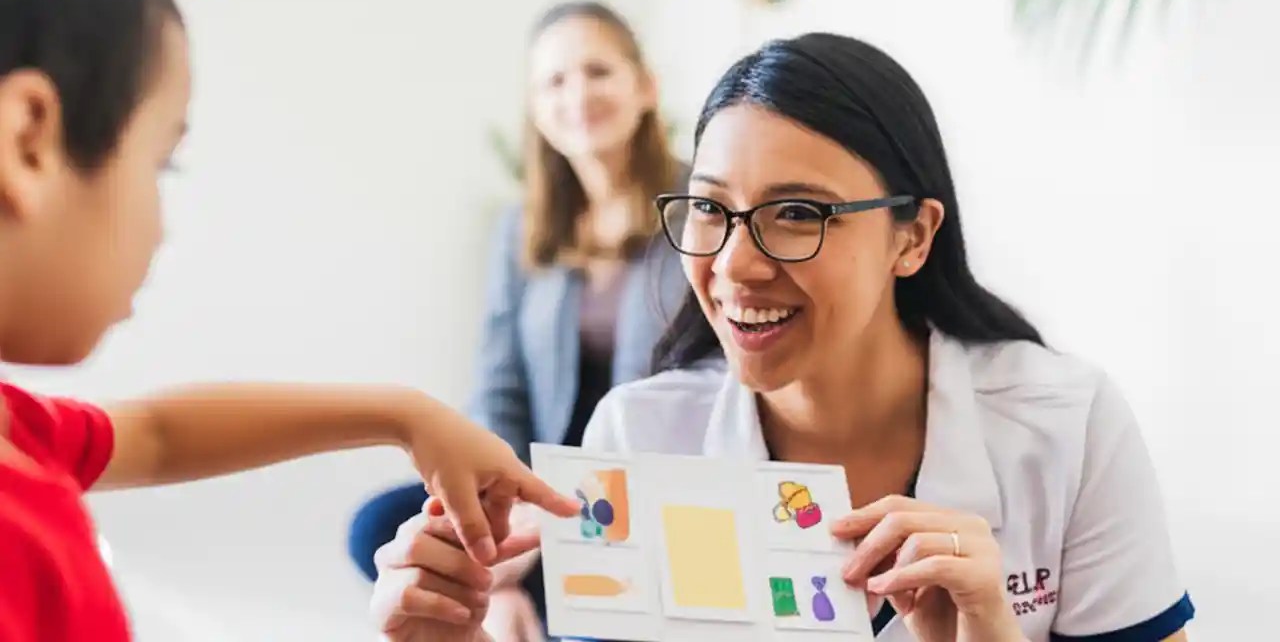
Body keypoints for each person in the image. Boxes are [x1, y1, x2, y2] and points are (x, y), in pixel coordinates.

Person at [369, 32, 1195, 642]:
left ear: (913, 237)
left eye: (798, 214)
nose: (735, 264)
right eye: (710, 208)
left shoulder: (1064, 423)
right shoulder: (643, 434)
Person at [0, 0, 578, 641]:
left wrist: (405, 415)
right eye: (160, 163)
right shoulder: (25, 538)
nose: (162, 228)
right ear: (28, 139)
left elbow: (154, 435)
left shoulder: (14, 432)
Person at [347, 0, 686, 638]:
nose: (577, 93)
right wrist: (495, 544)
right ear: (535, 108)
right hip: (536, 494)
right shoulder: (520, 230)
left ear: (645, 88)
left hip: (641, 500)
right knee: (377, 528)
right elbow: (498, 384)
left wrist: (545, 533)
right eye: (554, 81)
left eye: (598, 71)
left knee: (590, 606)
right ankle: (520, 605)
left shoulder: (698, 211)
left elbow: (695, 399)